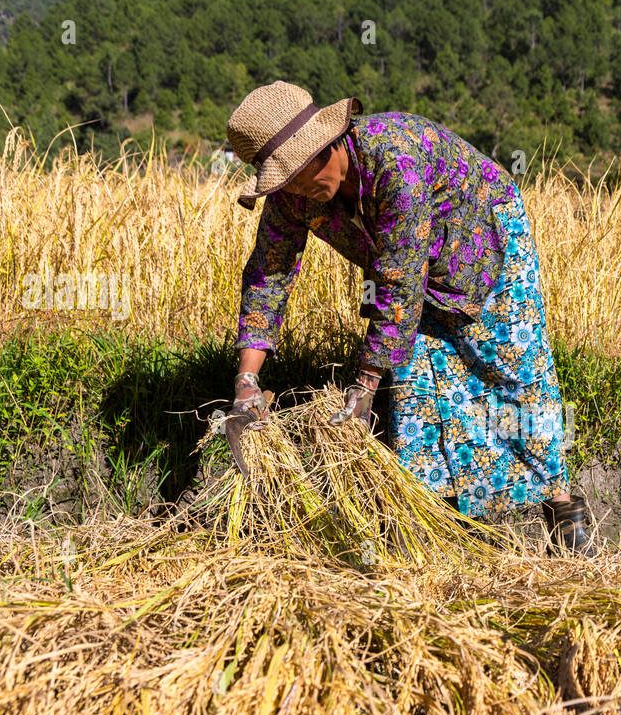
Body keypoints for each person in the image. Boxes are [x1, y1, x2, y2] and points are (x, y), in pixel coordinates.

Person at [225, 81, 596, 557]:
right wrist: (247, 380)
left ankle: (561, 507)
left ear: (328, 143)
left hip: (481, 239)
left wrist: (361, 388)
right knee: (418, 387)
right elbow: (268, 276)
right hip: (404, 267)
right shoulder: (293, 198)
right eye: (282, 182)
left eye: (297, 175)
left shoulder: (395, 160)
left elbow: (399, 281)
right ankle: (447, 530)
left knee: (512, 369)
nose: (295, 190)